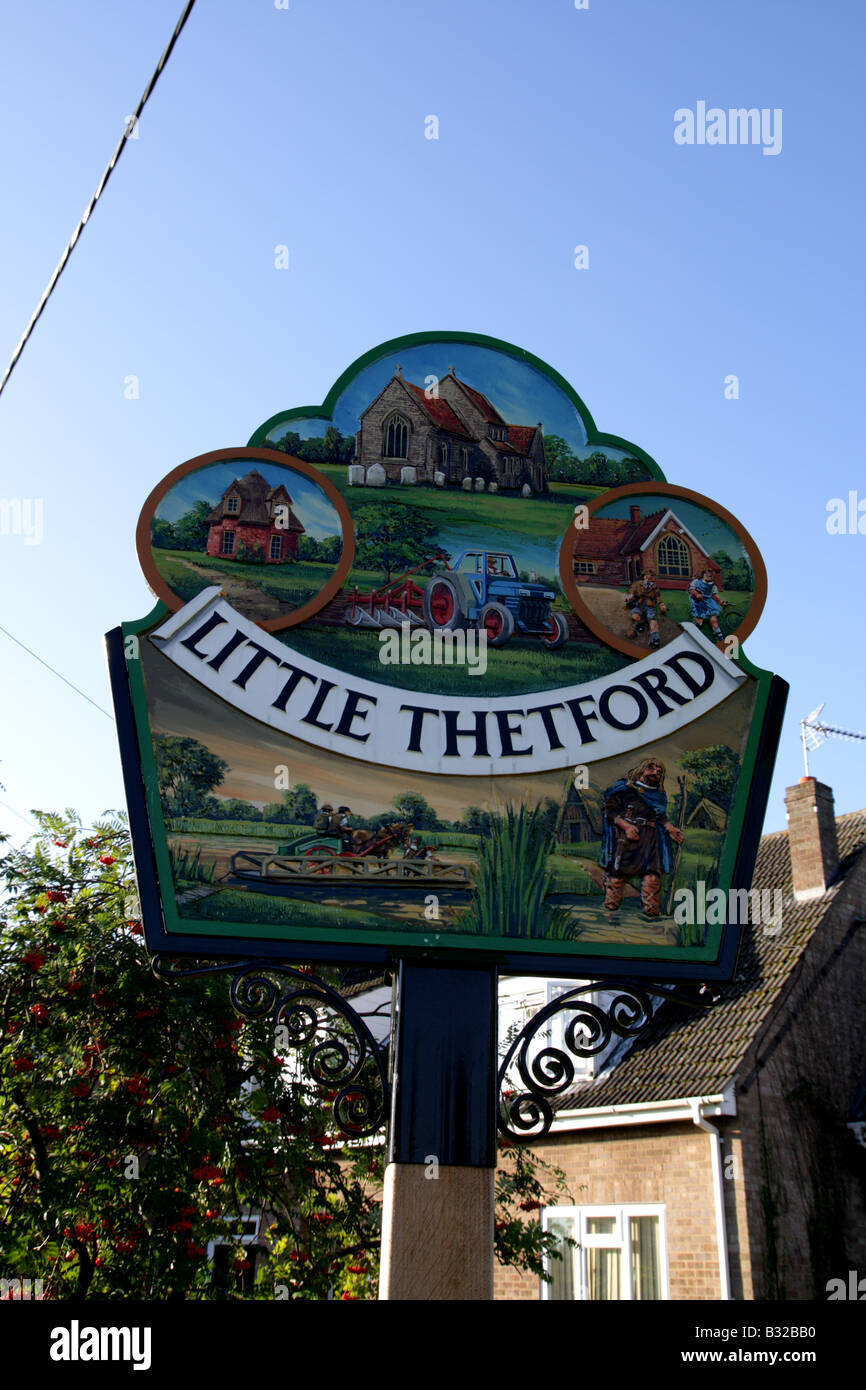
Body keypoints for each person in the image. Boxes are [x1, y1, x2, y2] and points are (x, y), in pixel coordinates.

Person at [599, 757, 684, 919]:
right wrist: (626, 826)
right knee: (617, 874)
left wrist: (670, 829)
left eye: (659, 772)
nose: (655, 773)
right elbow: (610, 811)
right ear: (642, 770)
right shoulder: (626, 789)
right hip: (627, 837)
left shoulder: (658, 796)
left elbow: (660, 816)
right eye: (651, 769)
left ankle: (651, 910)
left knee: (652, 875)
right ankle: (610, 908)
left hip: (650, 839)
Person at [624, 569, 666, 648]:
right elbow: (631, 592)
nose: (652, 580)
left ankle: (655, 638)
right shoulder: (637, 584)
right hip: (639, 604)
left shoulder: (654, 587)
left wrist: (661, 604)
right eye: (650, 578)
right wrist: (630, 597)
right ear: (645, 577)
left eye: (653, 579)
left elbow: (658, 596)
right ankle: (640, 624)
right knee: (636, 615)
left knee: (652, 619)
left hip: (650, 605)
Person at [689, 567, 727, 643]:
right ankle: (693, 630)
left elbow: (715, 596)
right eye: (707, 574)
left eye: (711, 575)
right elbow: (692, 590)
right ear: (703, 574)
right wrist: (696, 594)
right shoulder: (697, 582)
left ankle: (719, 636)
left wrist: (721, 602)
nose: (709, 576)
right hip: (699, 601)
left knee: (714, 620)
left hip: (710, 602)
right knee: (699, 620)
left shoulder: (713, 585)